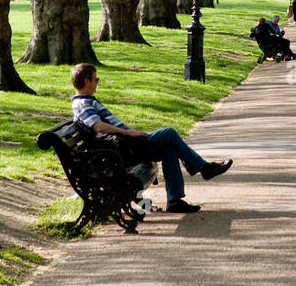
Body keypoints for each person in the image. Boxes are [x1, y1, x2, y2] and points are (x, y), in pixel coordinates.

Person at [70, 63, 232, 213]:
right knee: (169, 133)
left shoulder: (87, 101)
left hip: (125, 147)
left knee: (169, 148)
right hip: (123, 150)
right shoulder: (82, 103)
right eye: (96, 79)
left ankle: (175, 200)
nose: (97, 82)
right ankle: (204, 169)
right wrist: (128, 132)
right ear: (86, 81)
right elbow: (97, 126)